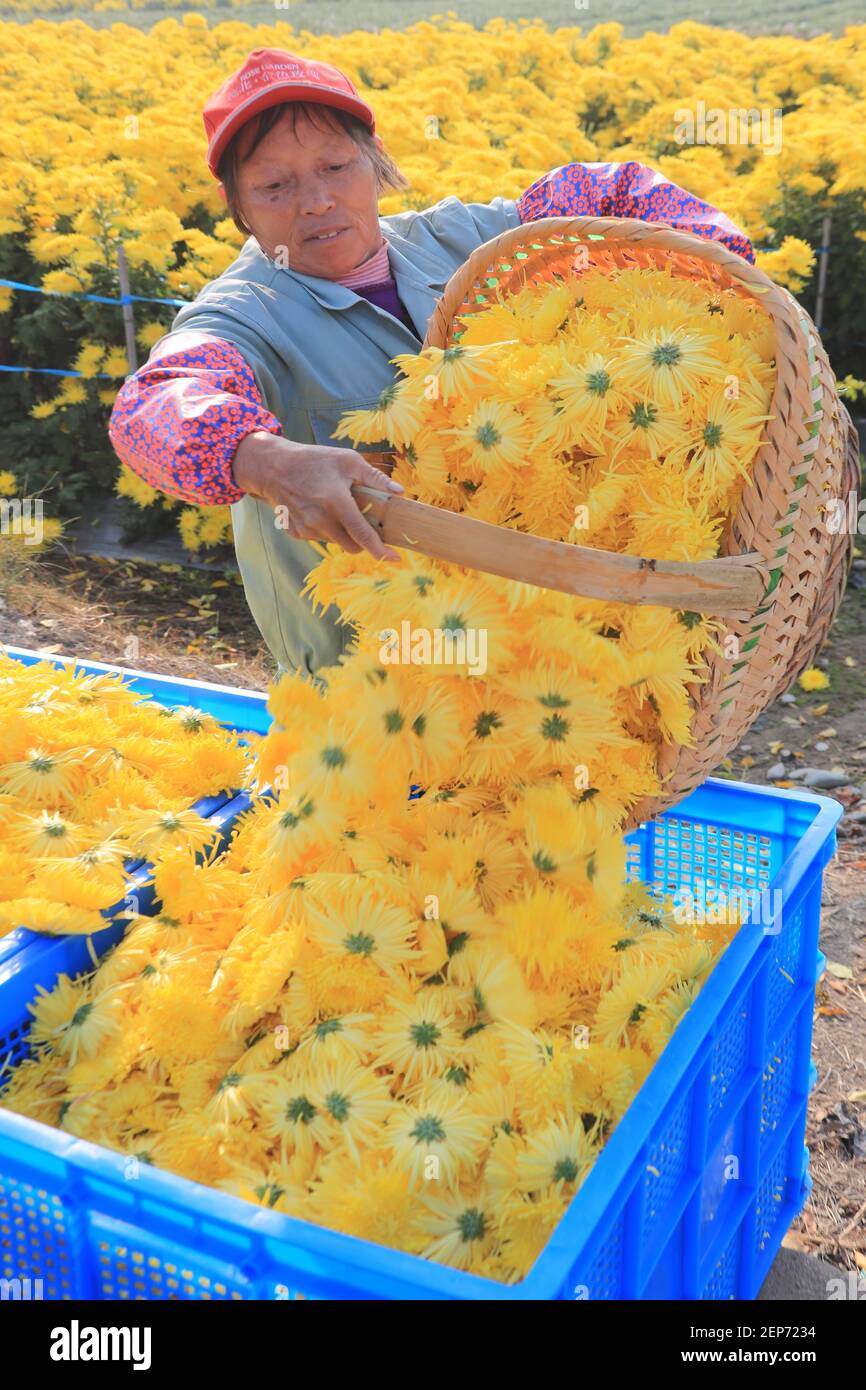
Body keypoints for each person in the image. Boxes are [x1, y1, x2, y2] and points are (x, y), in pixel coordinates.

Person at [109, 47, 755, 680]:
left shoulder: (464, 240)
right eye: (275, 186)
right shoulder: (243, 314)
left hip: (538, 655)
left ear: (376, 163)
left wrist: (721, 273)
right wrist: (267, 462)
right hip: (369, 697)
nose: (315, 201)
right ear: (239, 209)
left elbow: (611, 195)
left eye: (335, 166)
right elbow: (155, 405)